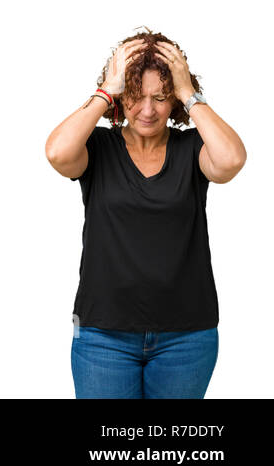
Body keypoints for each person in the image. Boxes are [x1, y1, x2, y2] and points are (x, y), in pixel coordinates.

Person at [44, 29, 244, 399]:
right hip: (102, 335)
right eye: (136, 96)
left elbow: (231, 161)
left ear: (174, 102)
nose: (148, 110)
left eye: (161, 98)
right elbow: (57, 153)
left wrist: (189, 92)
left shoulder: (194, 149)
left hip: (187, 337)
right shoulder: (99, 148)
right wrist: (107, 90)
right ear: (122, 96)